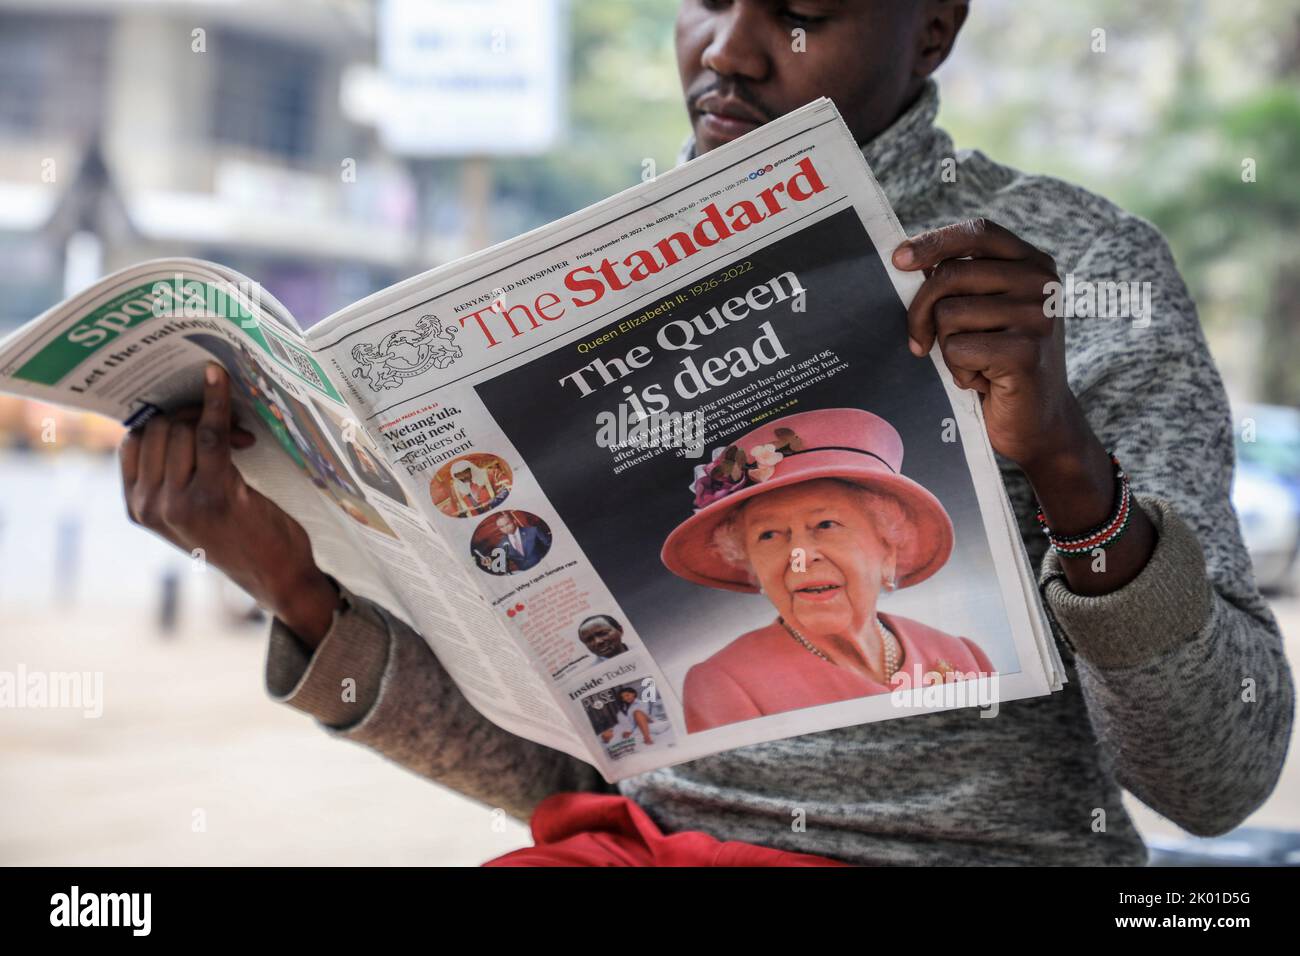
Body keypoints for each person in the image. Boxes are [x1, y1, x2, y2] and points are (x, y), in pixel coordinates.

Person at [119, 0, 1292, 866]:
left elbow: (1215, 777)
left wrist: (1074, 472)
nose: (725, 50)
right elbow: (561, 772)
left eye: (798, 13)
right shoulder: (568, 286)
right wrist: (293, 589)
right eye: (702, 1)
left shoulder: (1074, 275)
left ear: (934, 27)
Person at [660, 408, 993, 732]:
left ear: (887, 551)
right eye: (769, 535)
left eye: (825, 524)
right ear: (752, 567)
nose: (800, 557)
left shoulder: (961, 654)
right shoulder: (723, 685)